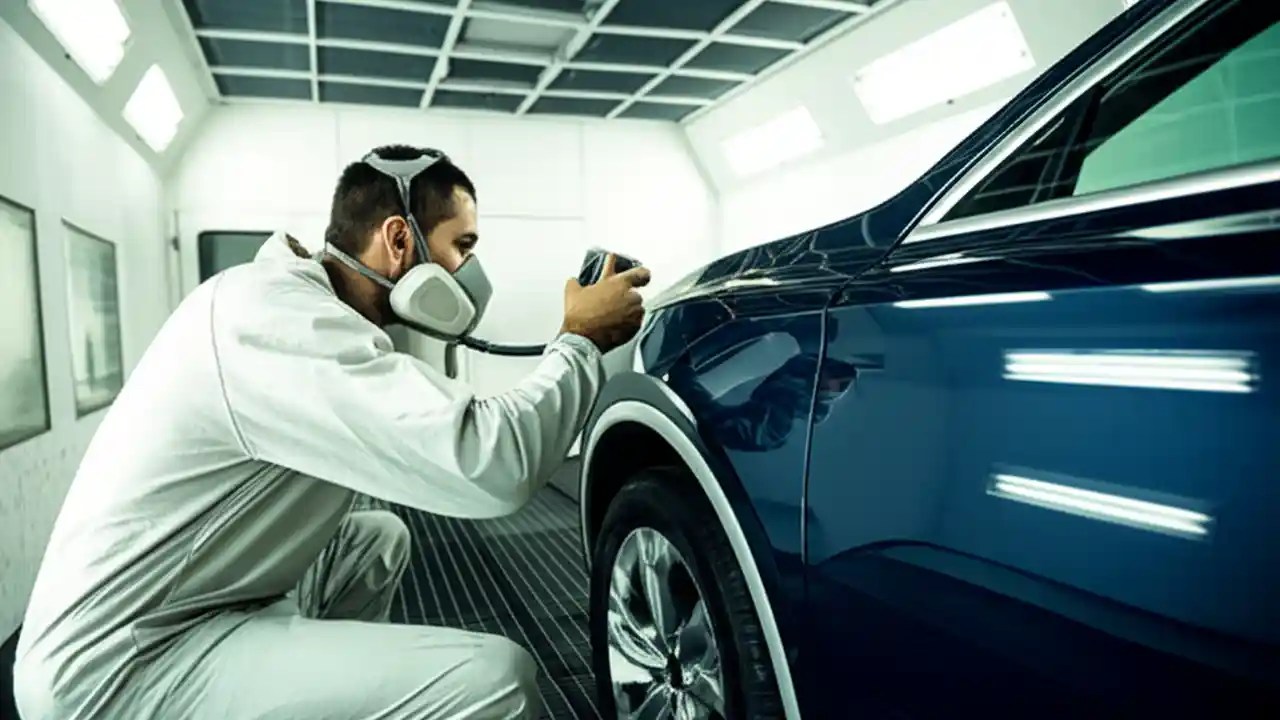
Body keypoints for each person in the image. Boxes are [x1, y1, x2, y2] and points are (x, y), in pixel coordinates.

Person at [12, 144, 651, 719]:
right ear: (398, 239)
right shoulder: (280, 322)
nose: (469, 273)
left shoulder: (289, 303)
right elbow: (491, 466)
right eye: (463, 247)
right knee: (499, 681)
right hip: (123, 666)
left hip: (198, 597)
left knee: (375, 541)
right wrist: (579, 342)